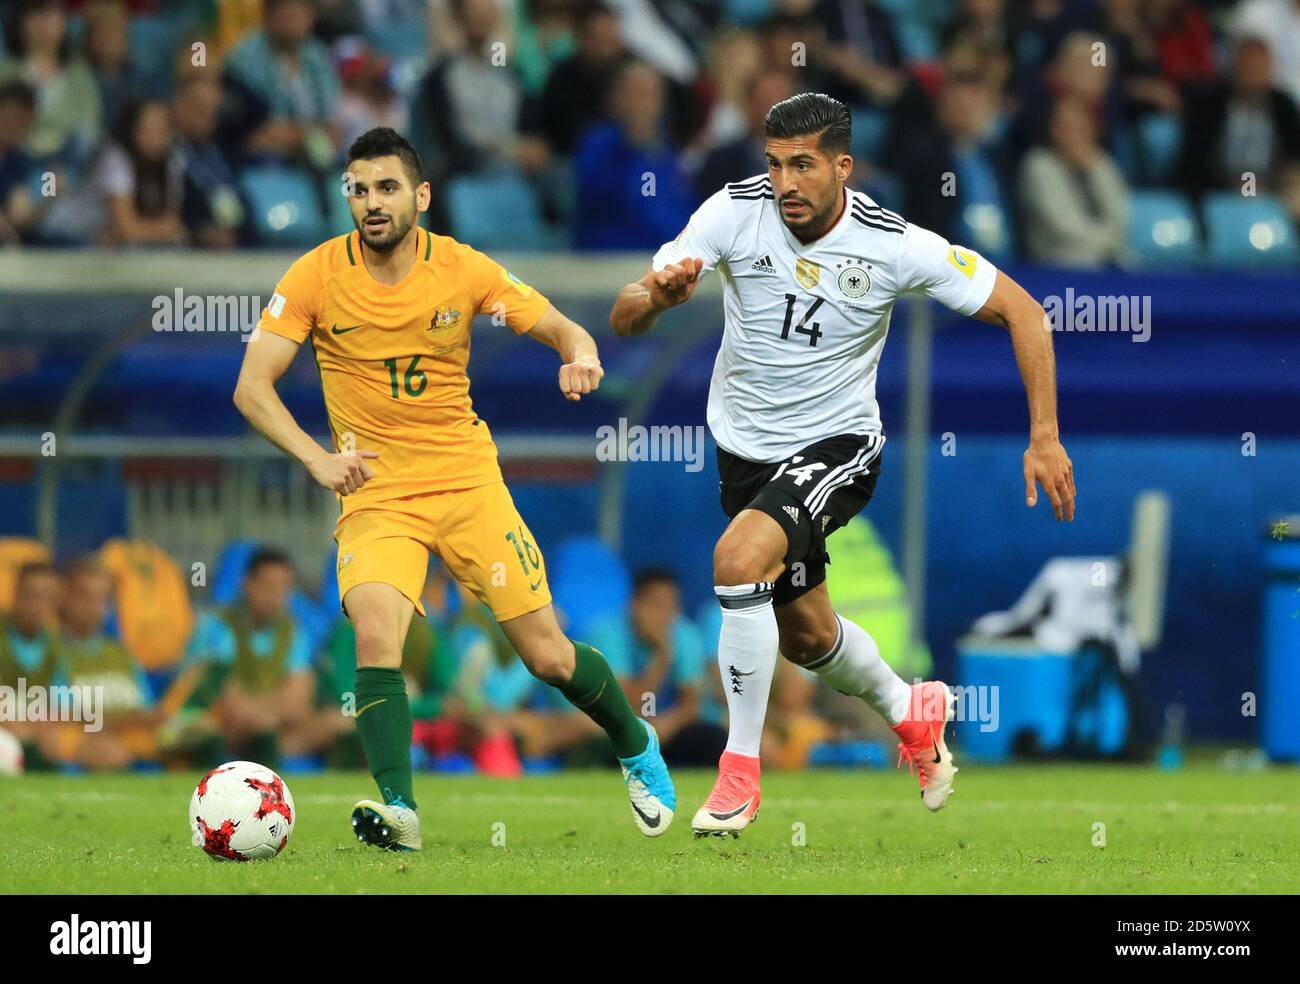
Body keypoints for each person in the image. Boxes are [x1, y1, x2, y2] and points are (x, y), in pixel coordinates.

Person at [610, 92, 1076, 837]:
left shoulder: (894, 244)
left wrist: (1044, 434)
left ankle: (738, 775)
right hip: (744, 454)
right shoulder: (733, 211)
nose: (784, 182)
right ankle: (910, 711)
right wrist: (657, 298)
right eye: (774, 164)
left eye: (802, 165)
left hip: (838, 448)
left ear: (842, 167)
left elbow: (1027, 311)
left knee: (736, 562)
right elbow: (626, 311)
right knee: (806, 636)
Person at [233, 127, 675, 850]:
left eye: (386, 187)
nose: (371, 203)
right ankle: (401, 812)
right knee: (377, 635)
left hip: (467, 484)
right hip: (376, 492)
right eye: (358, 189)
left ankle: (634, 744)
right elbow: (253, 389)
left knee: (549, 657)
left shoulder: (462, 269)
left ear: (421, 196)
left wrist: (581, 354)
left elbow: (564, 329)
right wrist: (316, 458)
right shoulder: (313, 276)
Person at [175, 550, 341, 766]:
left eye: (284, 589)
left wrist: (267, 714)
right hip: (222, 726)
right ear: (248, 585)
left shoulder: (294, 633)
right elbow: (228, 702)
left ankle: (268, 756)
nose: (276, 597)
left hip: (274, 728)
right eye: (269, 587)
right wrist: (270, 711)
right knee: (227, 725)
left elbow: (298, 704)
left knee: (336, 721)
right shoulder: (218, 627)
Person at [587, 569, 727, 767]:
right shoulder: (608, 635)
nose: (664, 615)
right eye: (655, 605)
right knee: (607, 738)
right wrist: (662, 657)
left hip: (668, 727)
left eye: (671, 606)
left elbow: (691, 703)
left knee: (714, 738)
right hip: (620, 726)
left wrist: (667, 725)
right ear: (634, 605)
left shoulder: (685, 634)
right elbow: (624, 701)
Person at [54, 556, 159, 771]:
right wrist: (123, 723)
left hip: (136, 746)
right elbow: (63, 722)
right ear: (64, 597)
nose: (94, 606)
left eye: (102, 598)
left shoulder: (122, 655)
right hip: (85, 752)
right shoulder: (51, 653)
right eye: (85, 595)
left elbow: (148, 713)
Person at [1019, 95, 1129, 268]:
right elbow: (1062, 225)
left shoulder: (1102, 164)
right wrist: (1107, 242)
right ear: (1053, 130)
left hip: (1106, 255)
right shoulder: (1039, 165)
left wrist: (1093, 170)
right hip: (1056, 259)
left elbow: (1120, 218)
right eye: (1066, 128)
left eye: (1080, 129)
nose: (1072, 136)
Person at [0, 562, 62, 766]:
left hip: (33, 724)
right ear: (15, 594)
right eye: (32, 595)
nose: (38, 604)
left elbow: (62, 701)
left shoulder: (54, 645)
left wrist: (41, 723)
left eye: (46, 597)